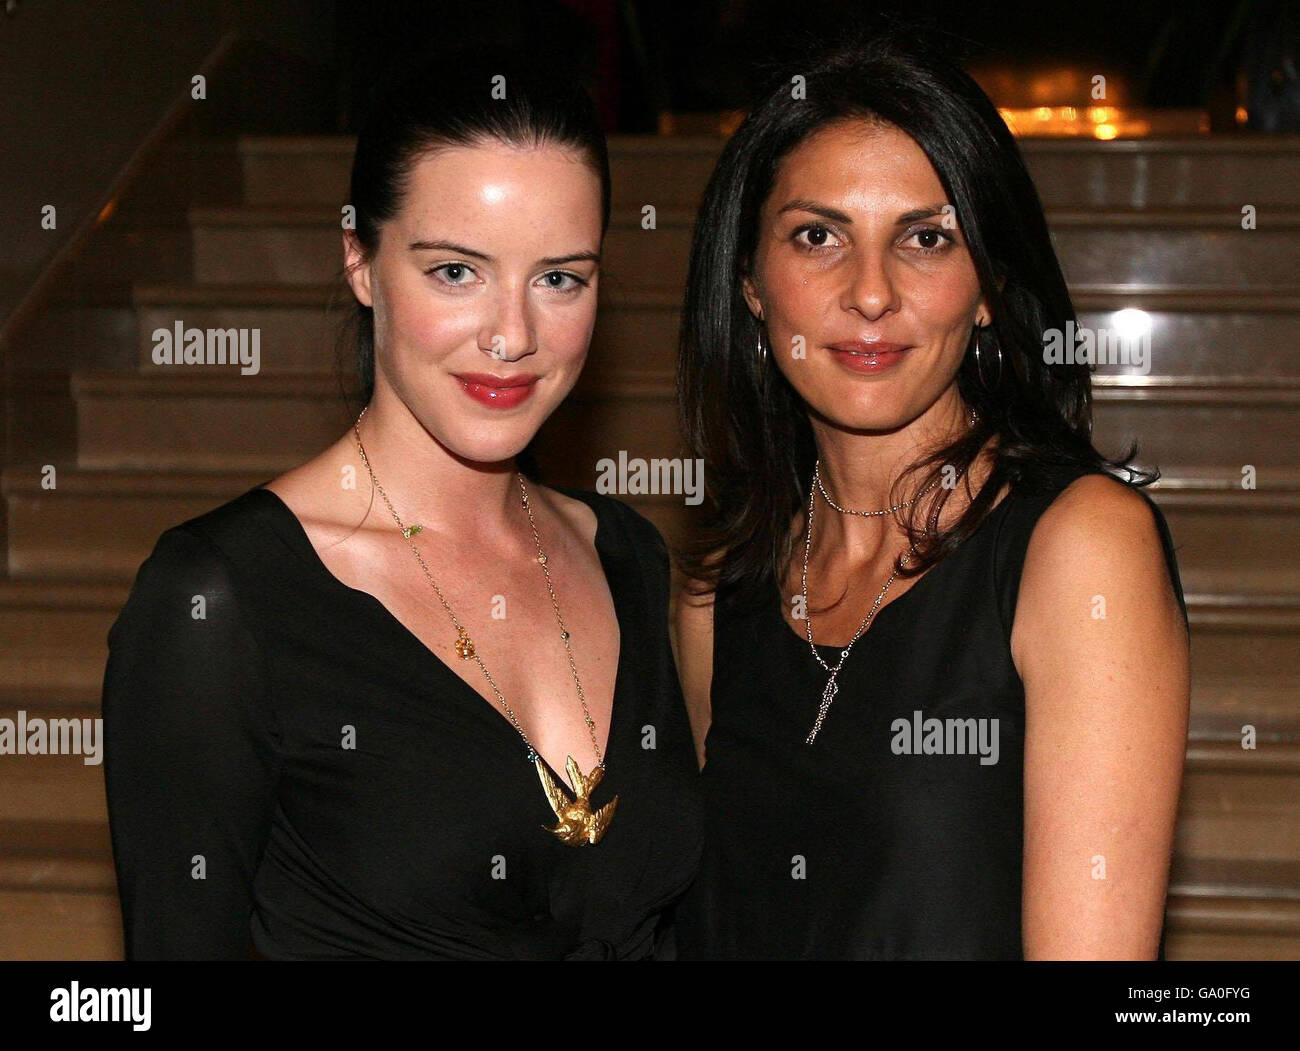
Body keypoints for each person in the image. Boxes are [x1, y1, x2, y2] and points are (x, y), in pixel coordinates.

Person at [102, 47, 702, 960]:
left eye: (560, 277)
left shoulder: (626, 554)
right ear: (360, 262)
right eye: (456, 272)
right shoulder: (223, 601)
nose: (512, 334)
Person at [669, 29, 1190, 960]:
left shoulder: (1079, 548)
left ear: (987, 285)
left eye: (926, 237)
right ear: (750, 281)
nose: (871, 293)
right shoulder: (720, 586)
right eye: (818, 235)